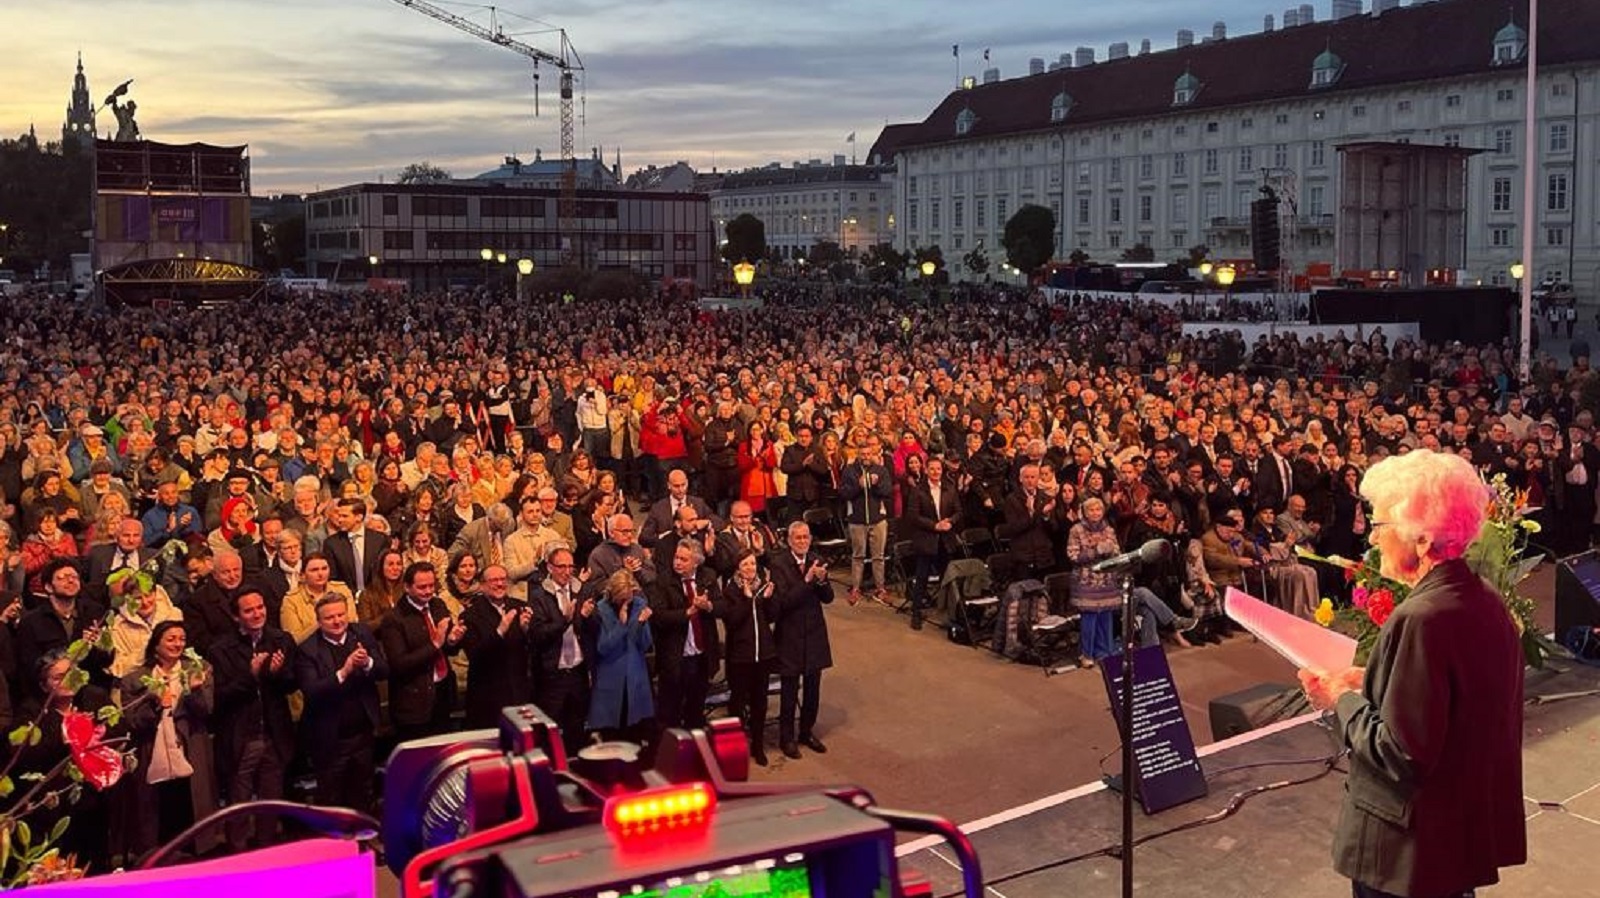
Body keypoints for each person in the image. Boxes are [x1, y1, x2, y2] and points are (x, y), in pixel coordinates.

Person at [1300, 450, 1526, 898]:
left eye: (1380, 525)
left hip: (1407, 853)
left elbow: (1400, 753)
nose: (1372, 539)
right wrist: (1372, 681)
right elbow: (1456, 707)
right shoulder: (1482, 598)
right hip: (1454, 837)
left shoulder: (1422, 618)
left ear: (1422, 539)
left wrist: (1339, 698)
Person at [118, 620, 219, 861]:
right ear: (156, 645)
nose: (178, 644)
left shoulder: (198, 669)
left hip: (190, 747)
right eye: (171, 639)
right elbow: (133, 721)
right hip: (152, 750)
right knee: (156, 812)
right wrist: (155, 702)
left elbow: (206, 710)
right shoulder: (135, 679)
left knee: (190, 806)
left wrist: (193, 690)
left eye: (182, 639)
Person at [207, 585, 297, 852]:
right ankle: (239, 857)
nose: (257, 614)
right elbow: (220, 697)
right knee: (239, 804)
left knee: (271, 801)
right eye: (249, 611)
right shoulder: (221, 649)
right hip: (241, 737)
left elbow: (292, 683)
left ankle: (267, 853)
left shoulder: (281, 639)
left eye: (260, 607)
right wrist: (251, 675)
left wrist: (275, 674)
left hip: (273, 734)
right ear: (236, 616)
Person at [294, 593, 389, 813]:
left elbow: (384, 670)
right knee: (332, 799)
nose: (337, 621)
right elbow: (311, 691)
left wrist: (368, 663)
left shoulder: (361, 633)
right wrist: (344, 672)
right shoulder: (307, 649)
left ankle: (363, 832)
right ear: (319, 621)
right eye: (330, 618)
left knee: (363, 793)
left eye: (341, 615)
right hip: (330, 739)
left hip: (363, 734)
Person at [378, 561, 465, 742]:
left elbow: (448, 648)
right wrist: (435, 644)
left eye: (431, 586)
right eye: (422, 587)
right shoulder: (394, 619)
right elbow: (399, 664)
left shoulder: (437, 605)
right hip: (413, 703)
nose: (428, 591)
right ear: (407, 587)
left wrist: (452, 639)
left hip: (442, 694)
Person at [770, 521, 834, 760]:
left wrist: (822, 581)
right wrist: (806, 581)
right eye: (797, 537)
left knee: (812, 689)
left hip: (814, 633)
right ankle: (786, 738)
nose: (803, 541)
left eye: (806, 537)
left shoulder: (816, 559)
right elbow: (784, 602)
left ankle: (806, 732)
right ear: (789, 540)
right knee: (789, 691)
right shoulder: (779, 564)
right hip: (790, 635)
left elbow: (828, 598)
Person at [649, 538, 722, 731]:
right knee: (669, 713)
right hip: (675, 657)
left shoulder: (708, 576)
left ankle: (695, 744)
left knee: (696, 710)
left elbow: (723, 606)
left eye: (683, 559)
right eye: (676, 557)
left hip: (701, 656)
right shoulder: (663, 581)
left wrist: (708, 606)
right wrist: (686, 613)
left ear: (696, 562)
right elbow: (658, 616)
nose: (677, 562)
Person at [528, 546, 595, 753]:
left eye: (570, 567)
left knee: (577, 729)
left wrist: (583, 617)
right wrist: (565, 620)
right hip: (552, 674)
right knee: (549, 732)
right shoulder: (539, 596)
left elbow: (593, 628)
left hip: (578, 671)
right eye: (561, 567)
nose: (567, 572)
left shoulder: (582, 591)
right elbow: (538, 634)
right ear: (550, 567)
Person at [716, 547, 777, 765]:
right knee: (737, 703)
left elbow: (772, 617)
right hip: (740, 657)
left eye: (752, 563)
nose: (750, 568)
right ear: (737, 569)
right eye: (745, 564)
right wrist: (747, 600)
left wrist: (768, 600)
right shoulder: (730, 591)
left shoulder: (763, 586)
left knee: (760, 702)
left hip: (763, 655)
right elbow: (732, 622)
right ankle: (734, 746)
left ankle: (758, 746)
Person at [459, 563, 535, 728]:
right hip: (487, 698)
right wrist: (499, 631)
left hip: (518, 692)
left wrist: (525, 630)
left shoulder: (520, 607)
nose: (500, 584)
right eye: (494, 580)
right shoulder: (470, 615)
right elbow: (475, 655)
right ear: (482, 585)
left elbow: (533, 647)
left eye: (503, 579)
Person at [585, 569, 654, 744]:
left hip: (635, 675)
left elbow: (645, 644)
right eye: (622, 597)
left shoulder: (639, 605)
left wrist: (640, 623)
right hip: (610, 676)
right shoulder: (601, 609)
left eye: (628, 596)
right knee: (612, 733)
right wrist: (621, 625)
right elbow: (603, 647)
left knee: (635, 732)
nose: (626, 601)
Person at [904, 455, 963, 631]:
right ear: (926, 470)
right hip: (926, 539)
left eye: (938, 468)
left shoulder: (950, 488)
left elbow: (958, 511)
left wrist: (950, 521)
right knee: (921, 577)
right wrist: (934, 525)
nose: (936, 472)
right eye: (932, 469)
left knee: (947, 577)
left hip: (946, 539)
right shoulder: (918, 490)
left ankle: (949, 613)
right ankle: (916, 613)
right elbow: (913, 516)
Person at [839, 434, 893, 605]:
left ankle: (880, 589)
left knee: (878, 557)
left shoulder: (881, 470)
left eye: (869, 454)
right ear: (858, 454)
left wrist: (875, 485)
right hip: (857, 520)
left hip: (878, 520)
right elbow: (844, 493)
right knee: (858, 556)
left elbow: (887, 491)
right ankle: (855, 588)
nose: (866, 457)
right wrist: (859, 485)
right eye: (863, 454)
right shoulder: (849, 471)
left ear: (873, 454)